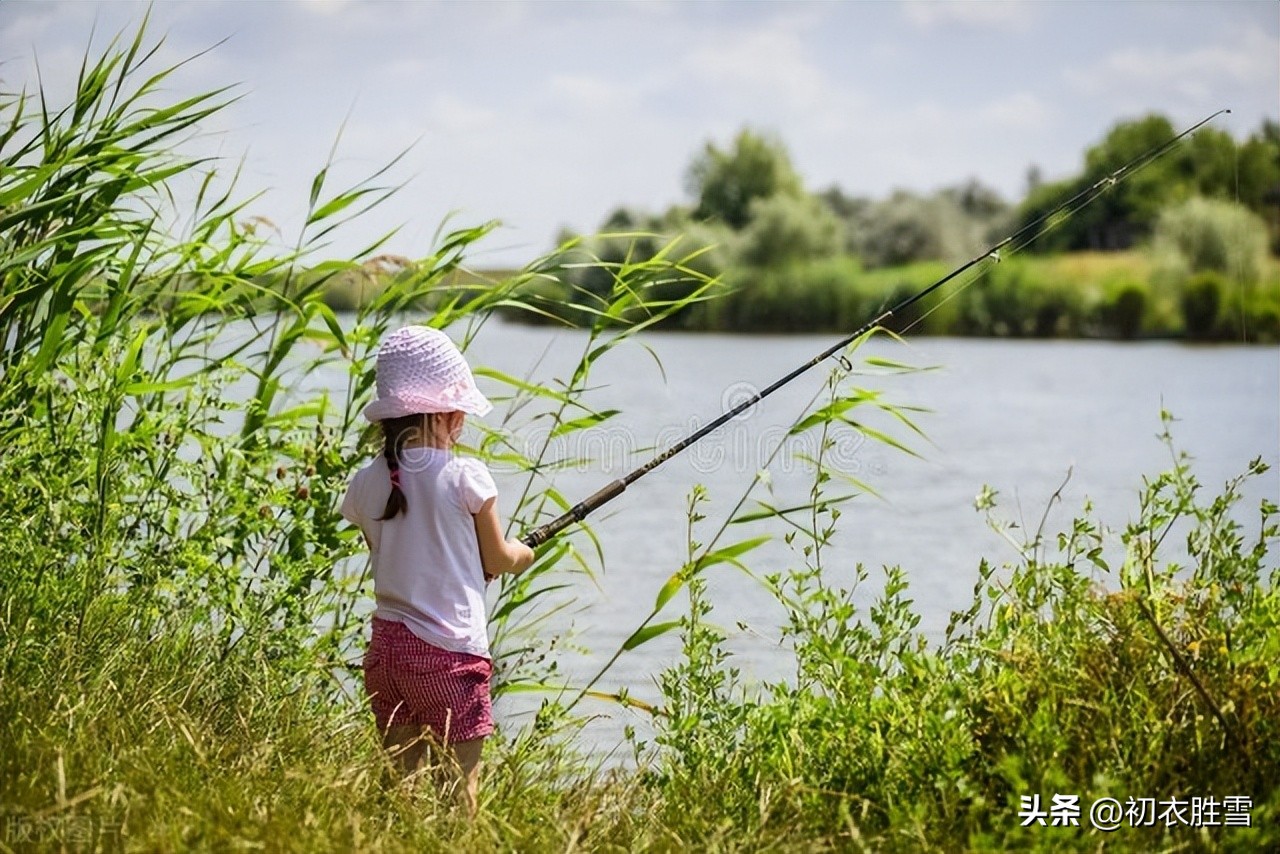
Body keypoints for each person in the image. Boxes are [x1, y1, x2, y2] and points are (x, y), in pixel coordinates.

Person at [340, 325, 535, 816]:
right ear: (447, 414)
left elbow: (390, 555)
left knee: (399, 792)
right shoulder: (466, 475)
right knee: (458, 797)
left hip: (387, 655)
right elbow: (498, 560)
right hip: (448, 657)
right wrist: (523, 554)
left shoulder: (366, 482)